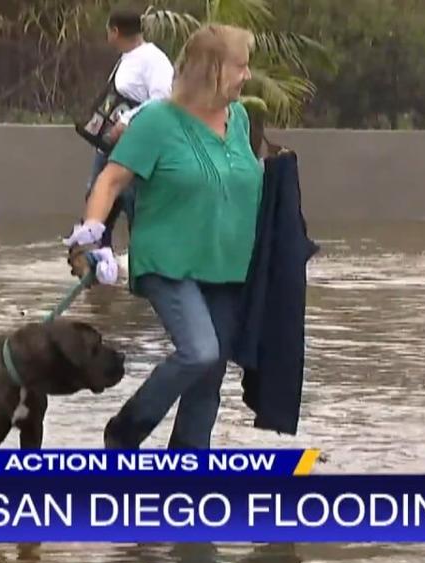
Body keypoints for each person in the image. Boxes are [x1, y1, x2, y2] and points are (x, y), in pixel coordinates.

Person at [68, 23, 263, 449]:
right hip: (169, 261)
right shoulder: (158, 121)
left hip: (228, 266)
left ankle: (187, 467)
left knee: (209, 375)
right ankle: (125, 432)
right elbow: (111, 181)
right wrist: (91, 236)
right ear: (211, 70)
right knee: (199, 352)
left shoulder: (242, 119)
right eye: (240, 67)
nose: (247, 76)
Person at [77, 6, 175, 248]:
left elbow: (163, 98)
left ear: (115, 31)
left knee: (134, 205)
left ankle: (140, 269)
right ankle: (100, 261)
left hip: (135, 150)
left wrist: (127, 120)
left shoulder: (153, 59)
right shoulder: (127, 58)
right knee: (96, 198)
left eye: (108, 31)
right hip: (109, 148)